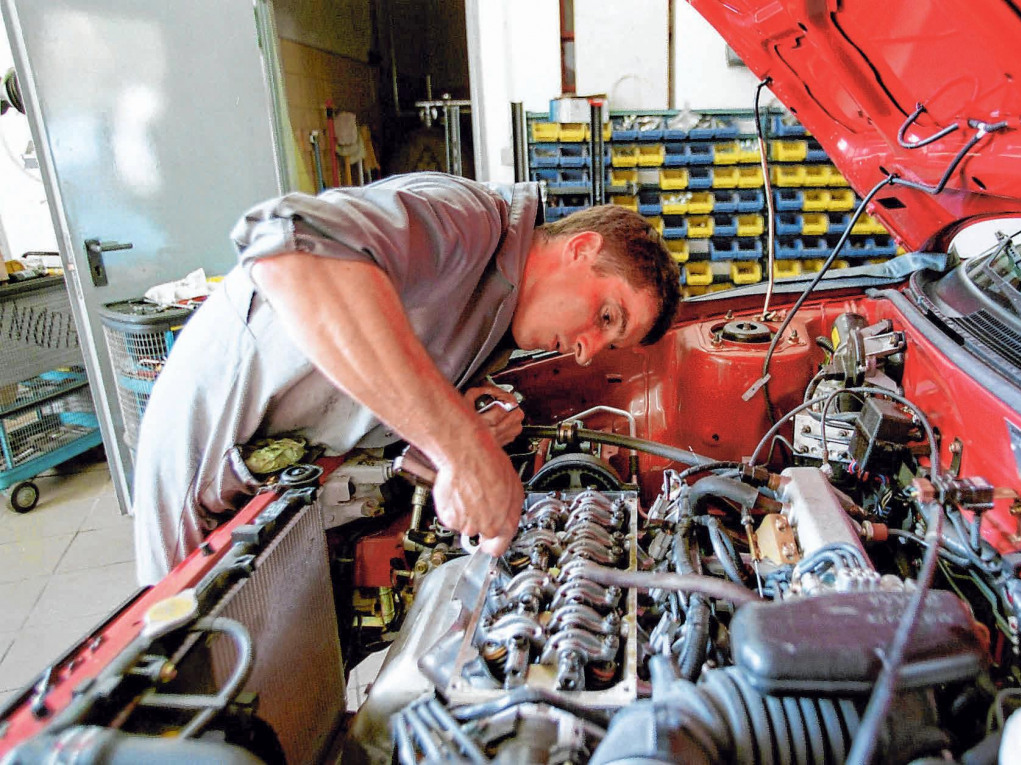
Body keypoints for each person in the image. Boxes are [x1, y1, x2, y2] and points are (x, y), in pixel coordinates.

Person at [132, 172, 680, 585]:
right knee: (183, 674)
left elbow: (386, 409)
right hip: (204, 457)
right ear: (581, 249)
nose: (587, 352)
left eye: (609, 344)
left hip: (283, 490)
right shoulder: (469, 219)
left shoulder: (494, 330)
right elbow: (290, 247)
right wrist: (461, 447)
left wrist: (462, 419)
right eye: (607, 317)